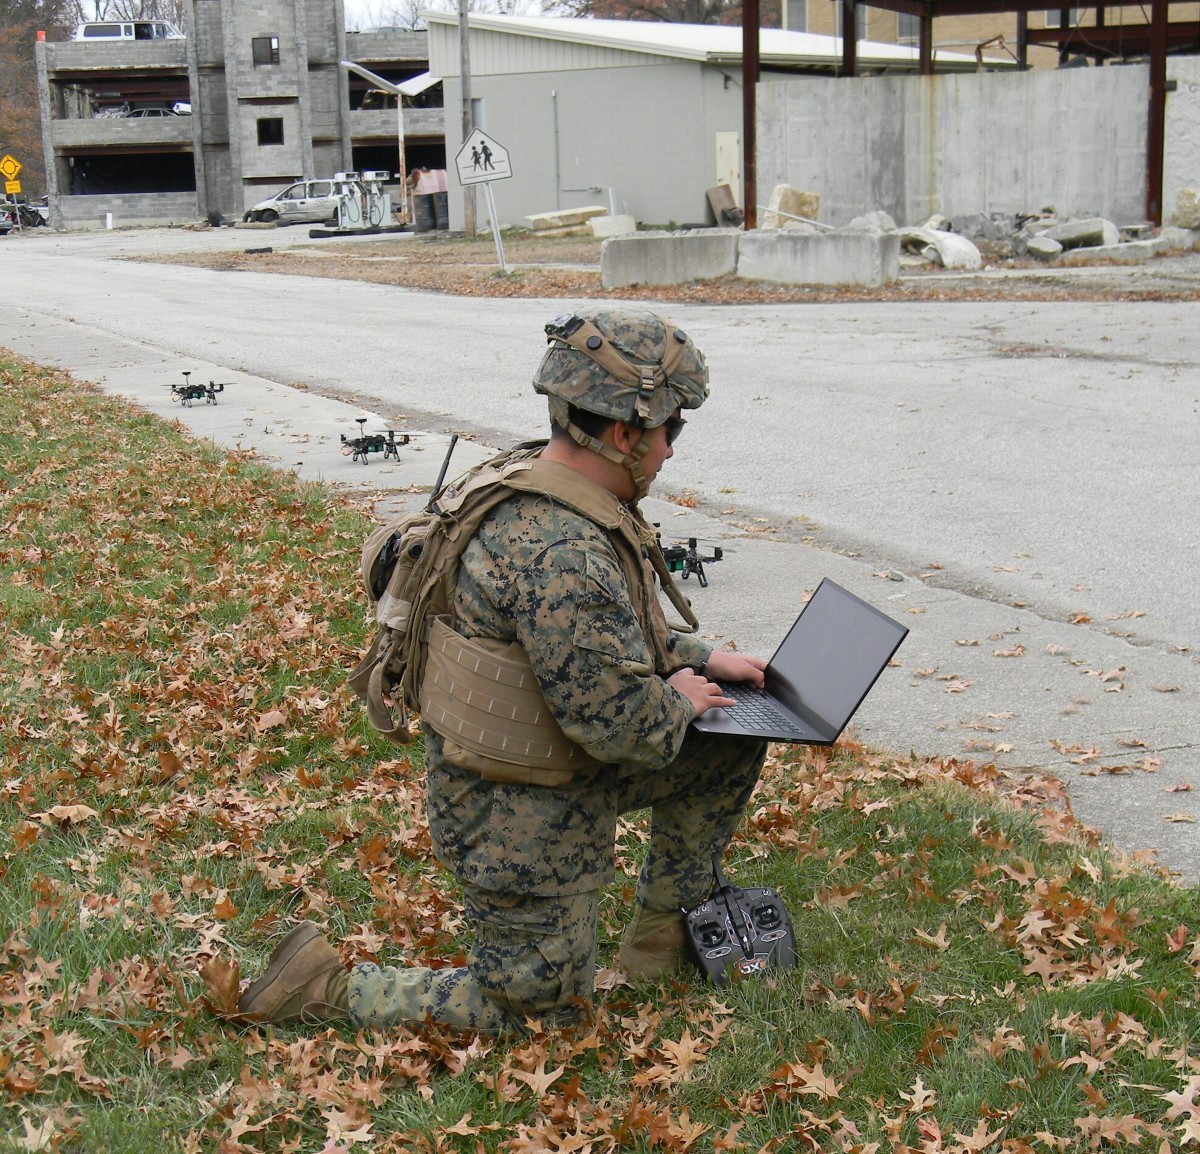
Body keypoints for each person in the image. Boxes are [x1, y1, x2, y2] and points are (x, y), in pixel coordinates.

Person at [238, 306, 769, 1033]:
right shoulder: (563, 554)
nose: (670, 452)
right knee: (534, 1016)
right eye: (668, 431)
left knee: (727, 741)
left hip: (547, 767)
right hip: (515, 818)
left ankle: (662, 942)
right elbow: (625, 728)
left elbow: (588, 645)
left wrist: (701, 659)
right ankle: (318, 987)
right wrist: (677, 698)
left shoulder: (540, 483)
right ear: (624, 433)